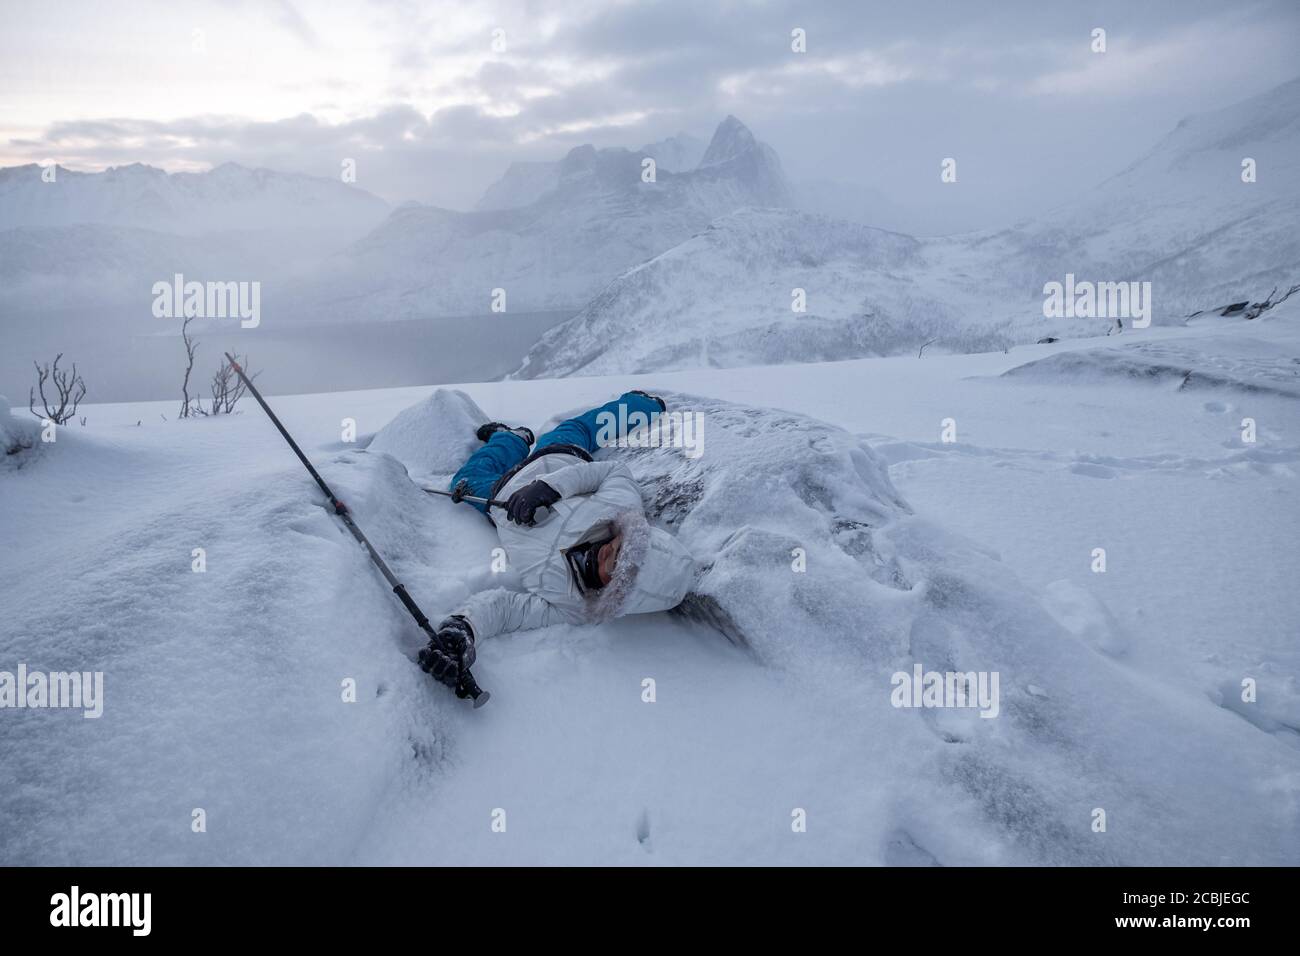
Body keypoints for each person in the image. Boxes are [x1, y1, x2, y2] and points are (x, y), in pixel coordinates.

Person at [418, 390, 696, 688]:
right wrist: (549, 488)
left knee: (467, 479)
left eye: (614, 567)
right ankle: (643, 404)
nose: (606, 551)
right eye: (617, 546)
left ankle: (509, 438)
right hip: (555, 460)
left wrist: (464, 630)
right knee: (580, 428)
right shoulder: (620, 509)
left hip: (500, 498)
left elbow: (507, 610)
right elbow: (613, 472)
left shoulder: (574, 605)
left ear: (619, 594)